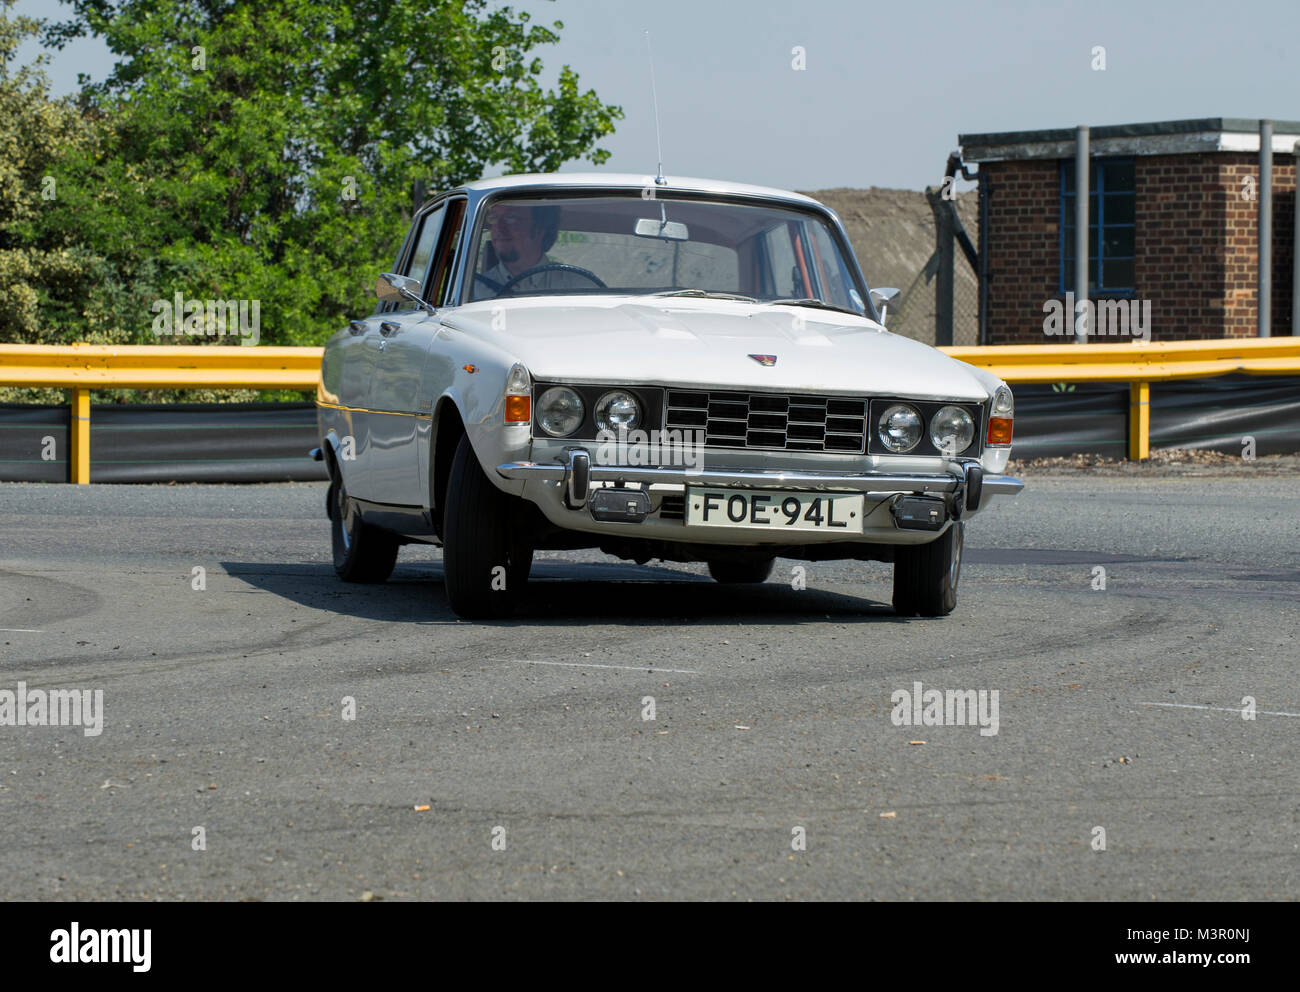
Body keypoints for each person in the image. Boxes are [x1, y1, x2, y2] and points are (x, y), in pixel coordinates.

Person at [472, 202, 597, 300]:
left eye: (511, 217)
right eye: (493, 218)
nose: (498, 228)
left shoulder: (579, 285)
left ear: (539, 229)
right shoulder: (472, 291)